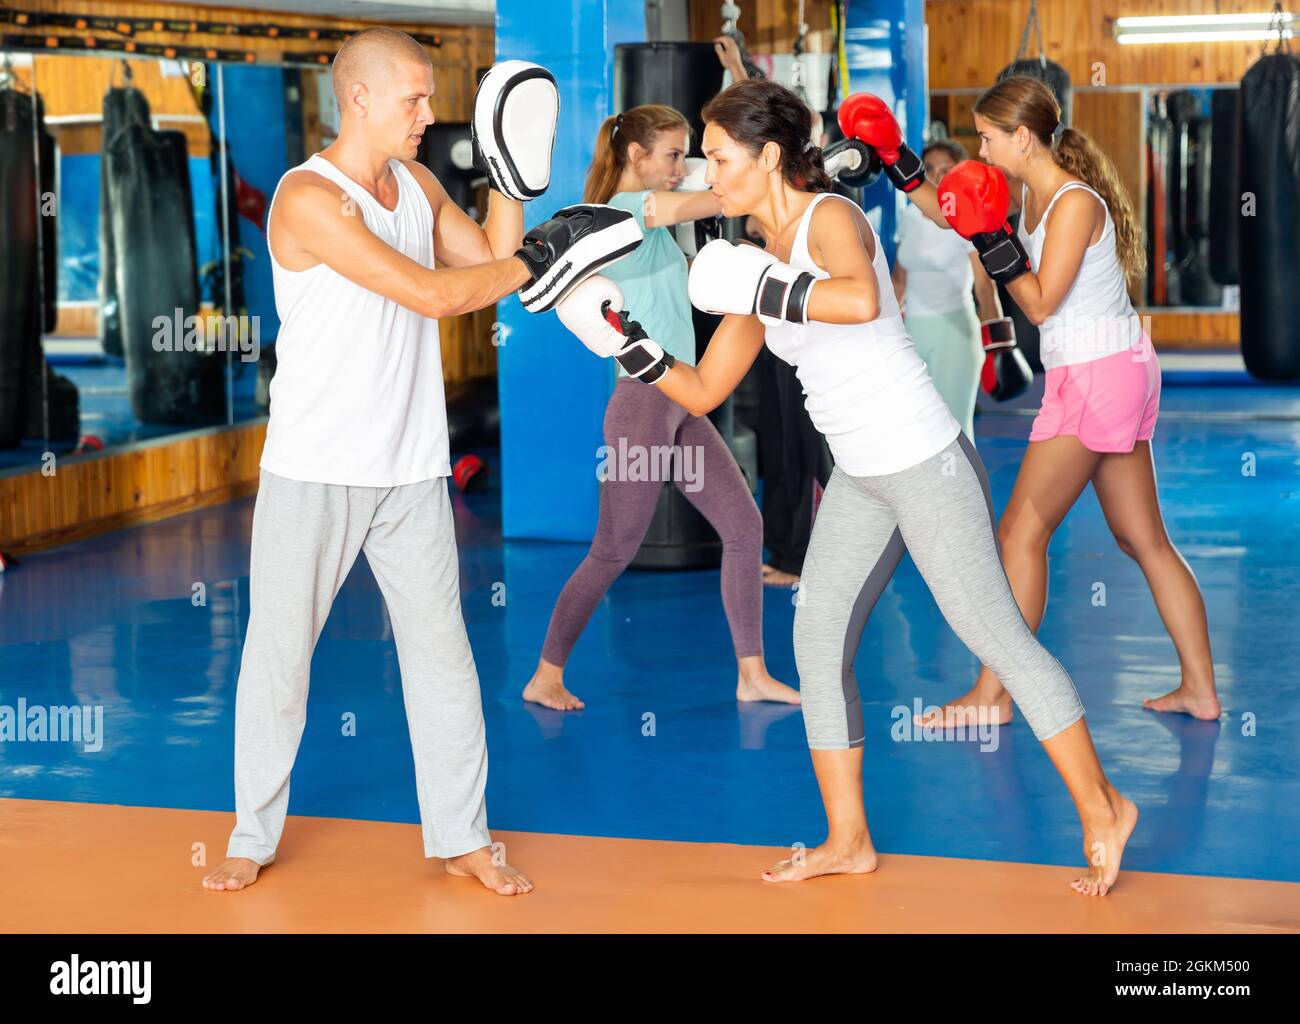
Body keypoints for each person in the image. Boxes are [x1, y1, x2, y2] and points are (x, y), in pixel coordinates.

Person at [558, 79, 1138, 896]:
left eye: (718, 158)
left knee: (996, 635)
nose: (705, 174)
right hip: (862, 474)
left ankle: (1105, 805)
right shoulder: (753, 253)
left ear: (766, 157)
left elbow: (860, 299)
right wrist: (626, 341)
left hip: (925, 462)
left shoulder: (829, 218)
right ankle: (848, 838)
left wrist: (756, 282)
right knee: (817, 637)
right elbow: (704, 390)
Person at [202, 29, 632, 896]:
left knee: (442, 656)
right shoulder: (307, 201)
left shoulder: (418, 182)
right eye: (415, 100)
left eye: (432, 99)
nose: (430, 116)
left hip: (410, 468)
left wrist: (514, 188)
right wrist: (548, 255)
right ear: (358, 98)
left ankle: (462, 836)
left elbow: (482, 260)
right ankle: (252, 833)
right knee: (280, 656)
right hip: (315, 467)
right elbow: (438, 295)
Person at [867, 78, 1219, 727]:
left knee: (1020, 532)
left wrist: (991, 242)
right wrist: (895, 158)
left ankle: (992, 696)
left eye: (988, 136)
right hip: (1103, 369)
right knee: (1142, 538)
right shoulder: (1031, 193)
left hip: (1096, 375)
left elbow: (1037, 302)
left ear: (1021, 137)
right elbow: (950, 212)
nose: (982, 146)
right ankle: (1200, 689)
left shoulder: (1074, 204)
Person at [521, 101, 797, 712]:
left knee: (744, 527)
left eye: (687, 155)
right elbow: (683, 203)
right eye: (672, 155)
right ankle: (546, 674)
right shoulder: (623, 214)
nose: (682, 167)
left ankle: (751, 674)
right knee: (614, 548)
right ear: (635, 156)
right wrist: (740, 183)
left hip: (682, 401)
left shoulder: (654, 228)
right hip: (643, 405)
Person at [891, 139, 1004, 441]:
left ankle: (969, 490)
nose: (937, 176)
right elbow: (900, 281)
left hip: (953, 335)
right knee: (915, 437)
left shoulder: (965, 220)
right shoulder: (909, 216)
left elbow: (984, 285)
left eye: (946, 169)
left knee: (956, 437)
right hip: (913, 333)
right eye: (929, 169)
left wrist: (999, 345)